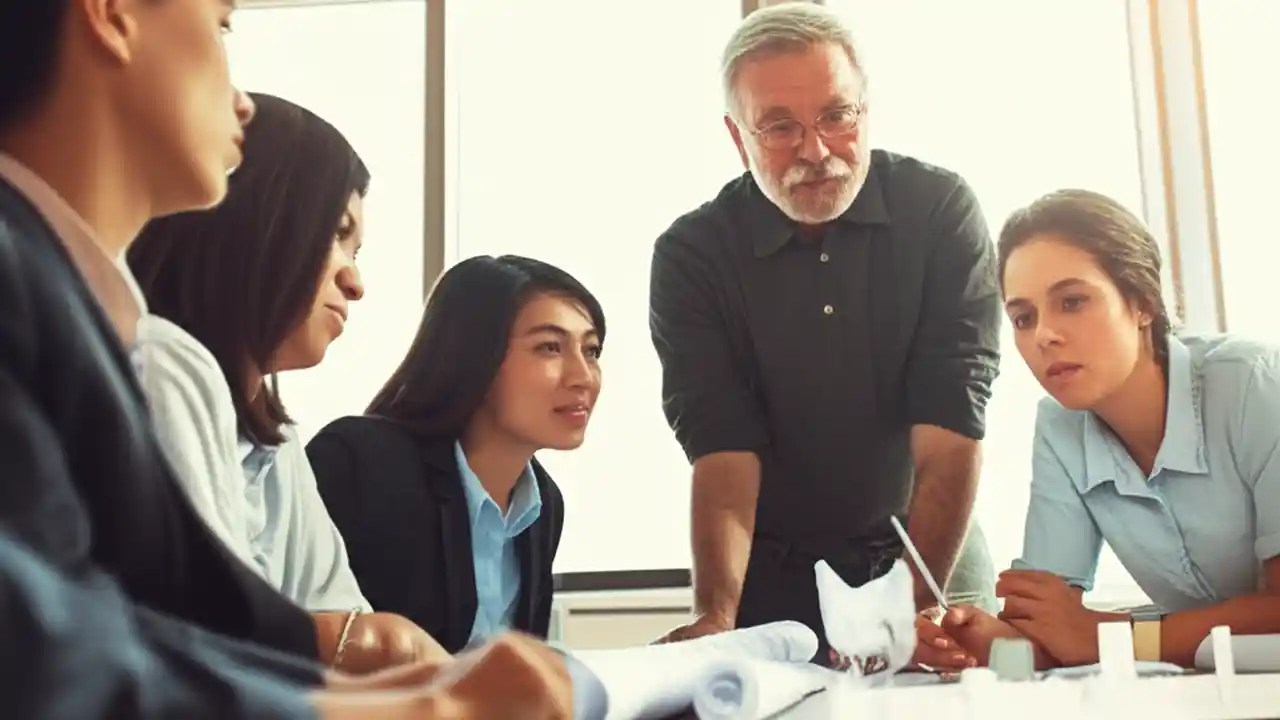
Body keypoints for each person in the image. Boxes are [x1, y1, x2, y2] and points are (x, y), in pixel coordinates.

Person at [0, 0, 573, 714]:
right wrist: (402, 706)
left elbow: (166, 628)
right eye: (222, 25)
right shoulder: (91, 329)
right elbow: (47, 649)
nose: (242, 99)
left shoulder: (87, 319)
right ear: (112, 13)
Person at [648, 1, 999, 666]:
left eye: (837, 117)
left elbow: (952, 430)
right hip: (777, 576)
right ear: (737, 136)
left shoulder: (939, 210)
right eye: (779, 127)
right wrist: (716, 616)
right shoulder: (692, 254)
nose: (816, 151)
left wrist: (914, 608)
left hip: (932, 553)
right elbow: (722, 450)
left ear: (865, 110)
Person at [128, 91, 439, 673]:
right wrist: (359, 645)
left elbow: (342, 618)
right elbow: (202, 649)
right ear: (254, 220)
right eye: (336, 235)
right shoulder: (154, 370)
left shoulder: (276, 439)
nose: (355, 281)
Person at [926, 189, 1280, 670]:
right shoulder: (1060, 426)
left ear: (1142, 303)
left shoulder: (1253, 384)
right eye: (1023, 318)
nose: (1044, 335)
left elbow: (1088, 640)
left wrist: (1116, 636)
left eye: (1072, 302)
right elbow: (1052, 639)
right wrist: (970, 645)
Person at [306, 255, 604, 653]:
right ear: (474, 356)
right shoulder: (361, 463)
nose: (583, 376)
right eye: (550, 347)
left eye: (592, 351)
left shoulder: (544, 505)